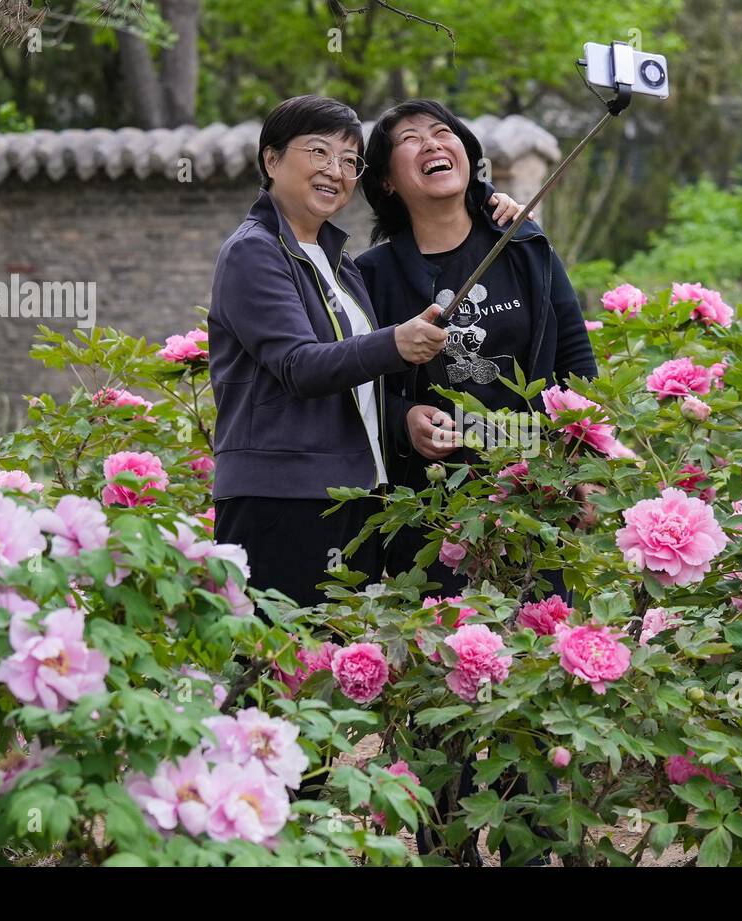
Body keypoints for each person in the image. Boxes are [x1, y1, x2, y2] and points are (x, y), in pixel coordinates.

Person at [357, 99, 598, 863]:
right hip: (428, 517)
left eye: (444, 135)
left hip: (528, 503)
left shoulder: (522, 246)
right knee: (442, 692)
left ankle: (533, 850)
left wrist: (578, 466)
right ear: (389, 180)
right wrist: (406, 424)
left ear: (466, 155)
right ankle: (444, 848)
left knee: (530, 686)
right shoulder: (371, 274)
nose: (432, 145)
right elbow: (357, 384)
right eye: (408, 141)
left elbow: (576, 365)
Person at [207, 94, 450, 608]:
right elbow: (299, 366)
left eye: (349, 161)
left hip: (354, 495)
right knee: (275, 672)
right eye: (318, 152)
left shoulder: (339, 263)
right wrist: (396, 343)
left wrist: (402, 417)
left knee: (333, 669)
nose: (335, 171)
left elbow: (355, 388)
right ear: (271, 159)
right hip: (282, 499)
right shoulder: (254, 250)